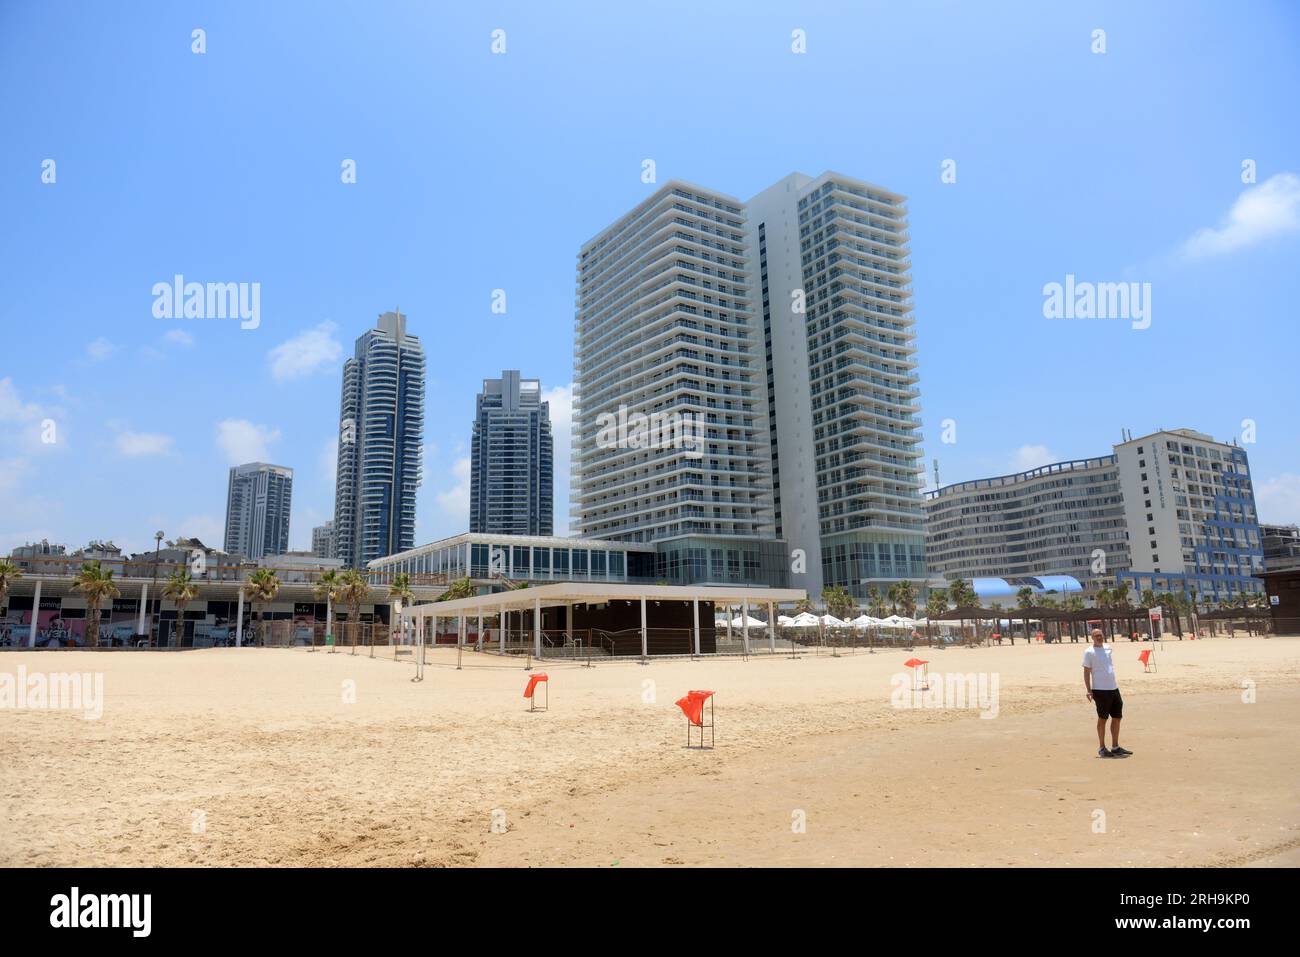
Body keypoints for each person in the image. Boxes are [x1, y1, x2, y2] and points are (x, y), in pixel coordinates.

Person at [1083, 628, 1133, 758]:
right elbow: (1086, 672)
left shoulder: (1108, 648)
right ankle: (1102, 748)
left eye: (1101, 635)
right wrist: (1088, 690)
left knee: (1117, 717)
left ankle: (1115, 747)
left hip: (1113, 688)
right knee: (1103, 718)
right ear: (1092, 638)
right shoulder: (1089, 652)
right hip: (1100, 690)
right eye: (1096, 636)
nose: (1099, 637)